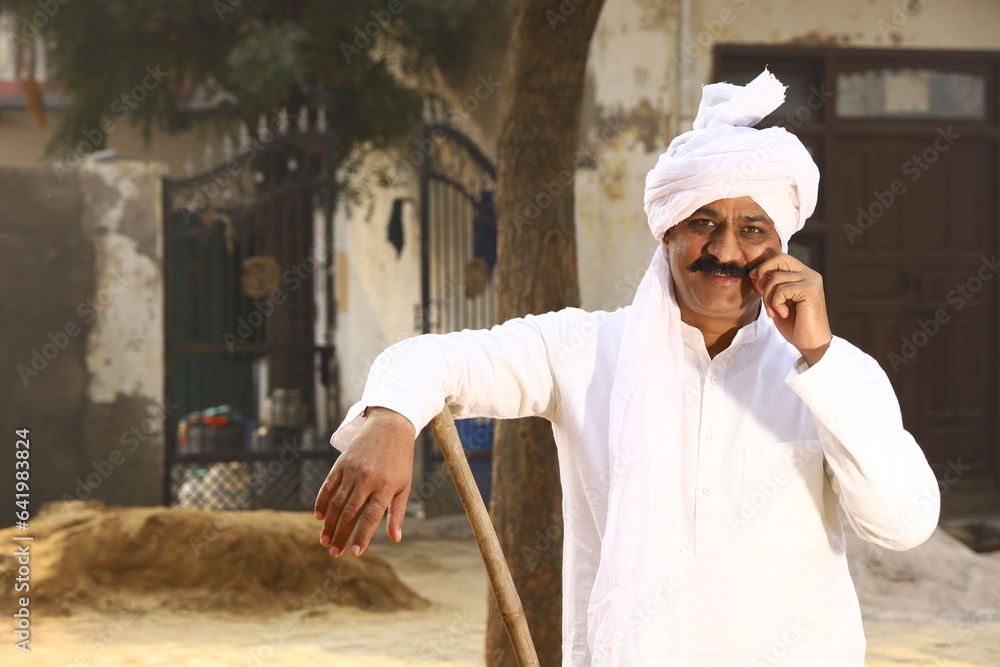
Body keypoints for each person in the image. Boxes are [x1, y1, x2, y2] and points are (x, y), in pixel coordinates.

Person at [314, 69, 940, 666]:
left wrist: (819, 358)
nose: (726, 249)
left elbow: (902, 523)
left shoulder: (836, 372)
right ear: (667, 233)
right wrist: (391, 418)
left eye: (752, 228)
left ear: (783, 243)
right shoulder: (586, 349)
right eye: (703, 222)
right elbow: (435, 358)